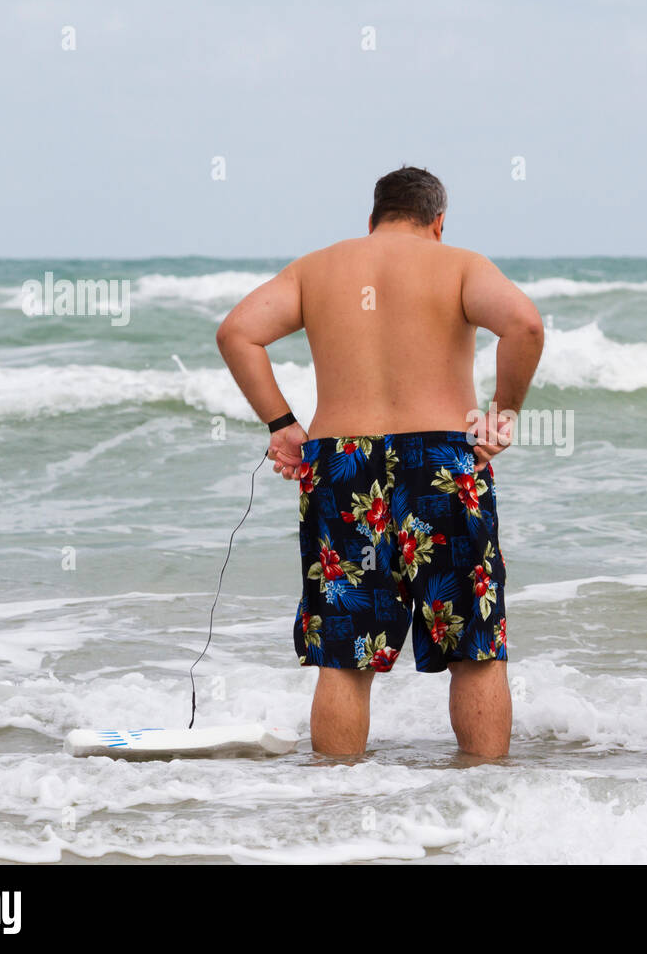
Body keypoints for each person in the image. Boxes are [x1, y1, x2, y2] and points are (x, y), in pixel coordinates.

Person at [216, 166, 543, 758]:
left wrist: (283, 426)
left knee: (345, 654)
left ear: (371, 220)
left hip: (342, 463)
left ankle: (337, 810)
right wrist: (503, 413)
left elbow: (238, 332)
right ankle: (487, 798)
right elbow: (524, 324)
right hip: (445, 459)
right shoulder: (460, 264)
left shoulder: (317, 268)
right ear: (438, 221)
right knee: (474, 647)